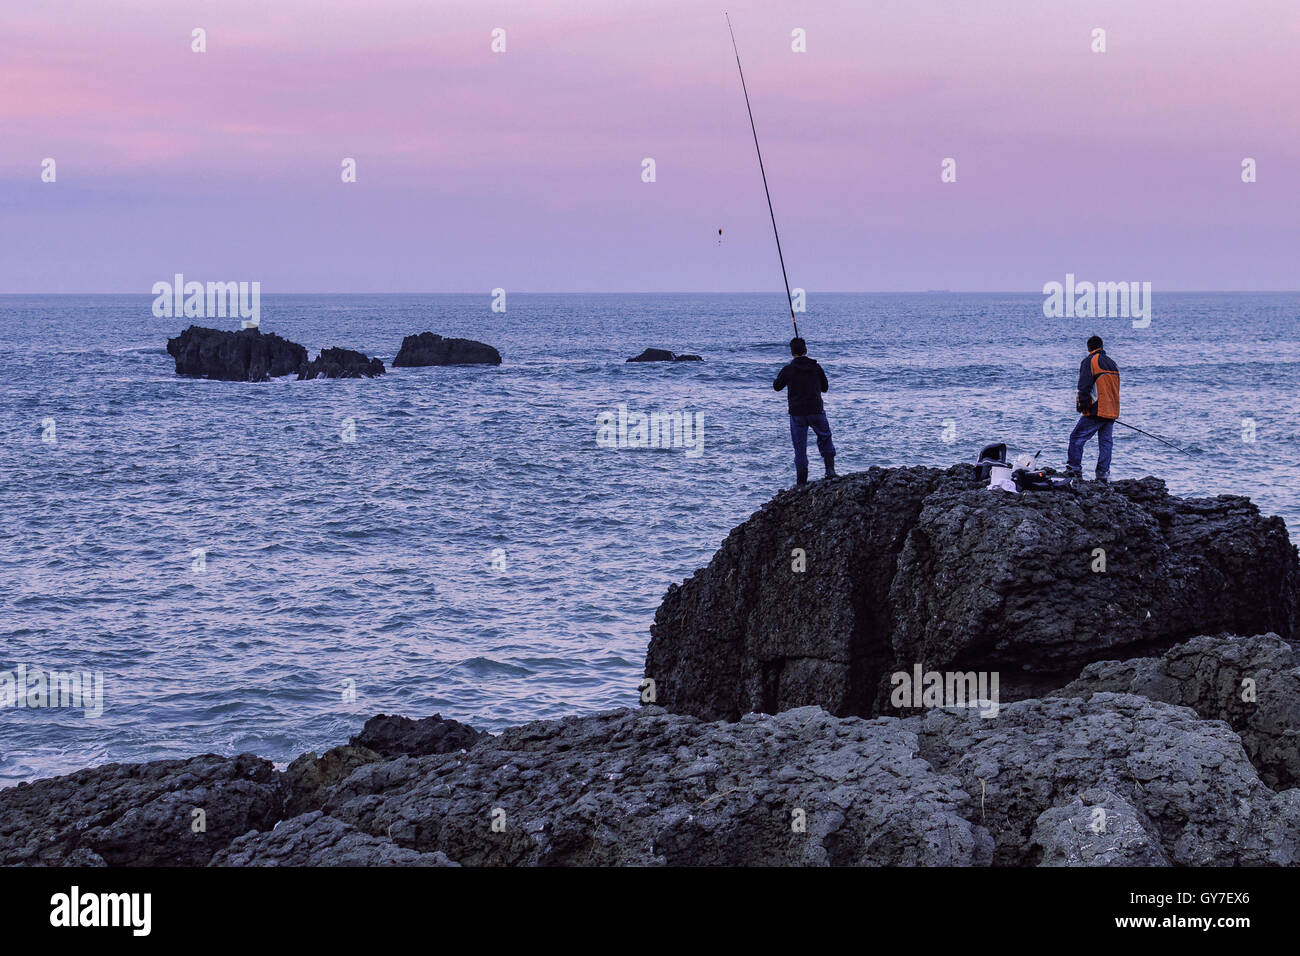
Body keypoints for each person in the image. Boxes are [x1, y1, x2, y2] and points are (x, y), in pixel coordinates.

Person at [773, 337, 835, 485]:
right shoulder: (816, 367)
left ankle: (801, 481)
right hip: (816, 410)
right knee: (825, 437)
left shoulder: (788, 369)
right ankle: (830, 471)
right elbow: (825, 388)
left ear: (792, 353)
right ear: (805, 350)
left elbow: (776, 386)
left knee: (800, 446)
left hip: (797, 413)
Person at [1066, 335, 1120, 482]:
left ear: (1089, 347)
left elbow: (1084, 386)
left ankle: (1074, 470)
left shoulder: (1090, 361)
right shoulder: (1112, 363)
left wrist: (1082, 406)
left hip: (1096, 410)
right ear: (1101, 346)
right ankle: (1103, 475)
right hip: (1112, 410)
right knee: (1105, 443)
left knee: (1076, 438)